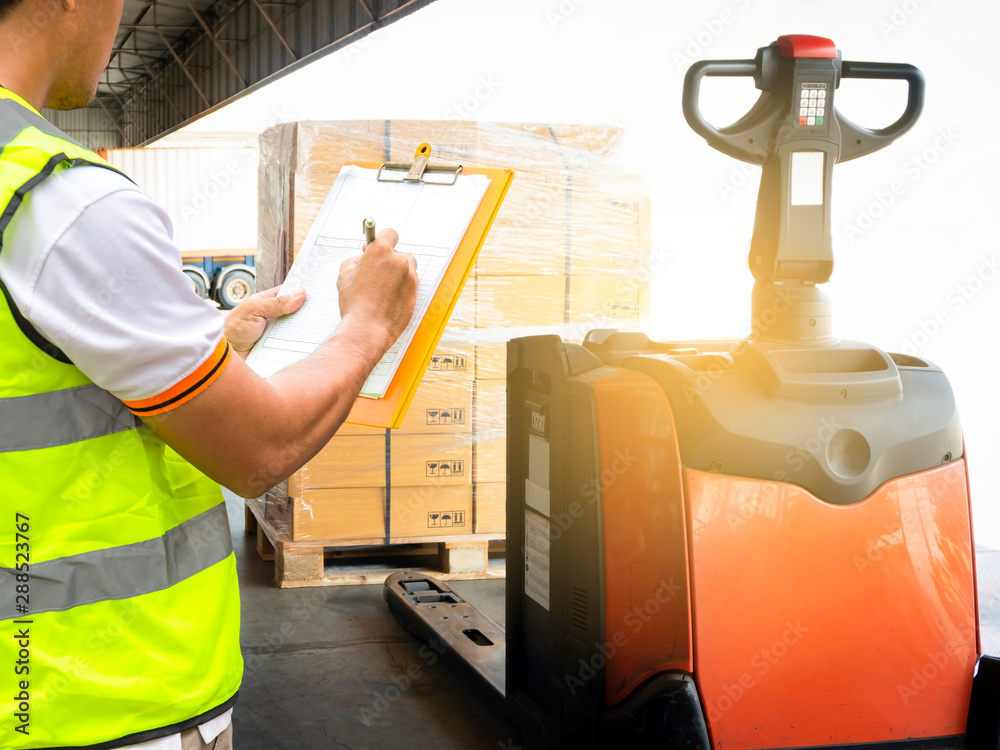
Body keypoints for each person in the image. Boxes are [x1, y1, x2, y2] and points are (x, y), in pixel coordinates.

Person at [0, 0, 419, 746]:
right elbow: (260, 450)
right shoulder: (57, 198)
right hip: (98, 703)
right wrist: (367, 327)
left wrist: (209, 347)